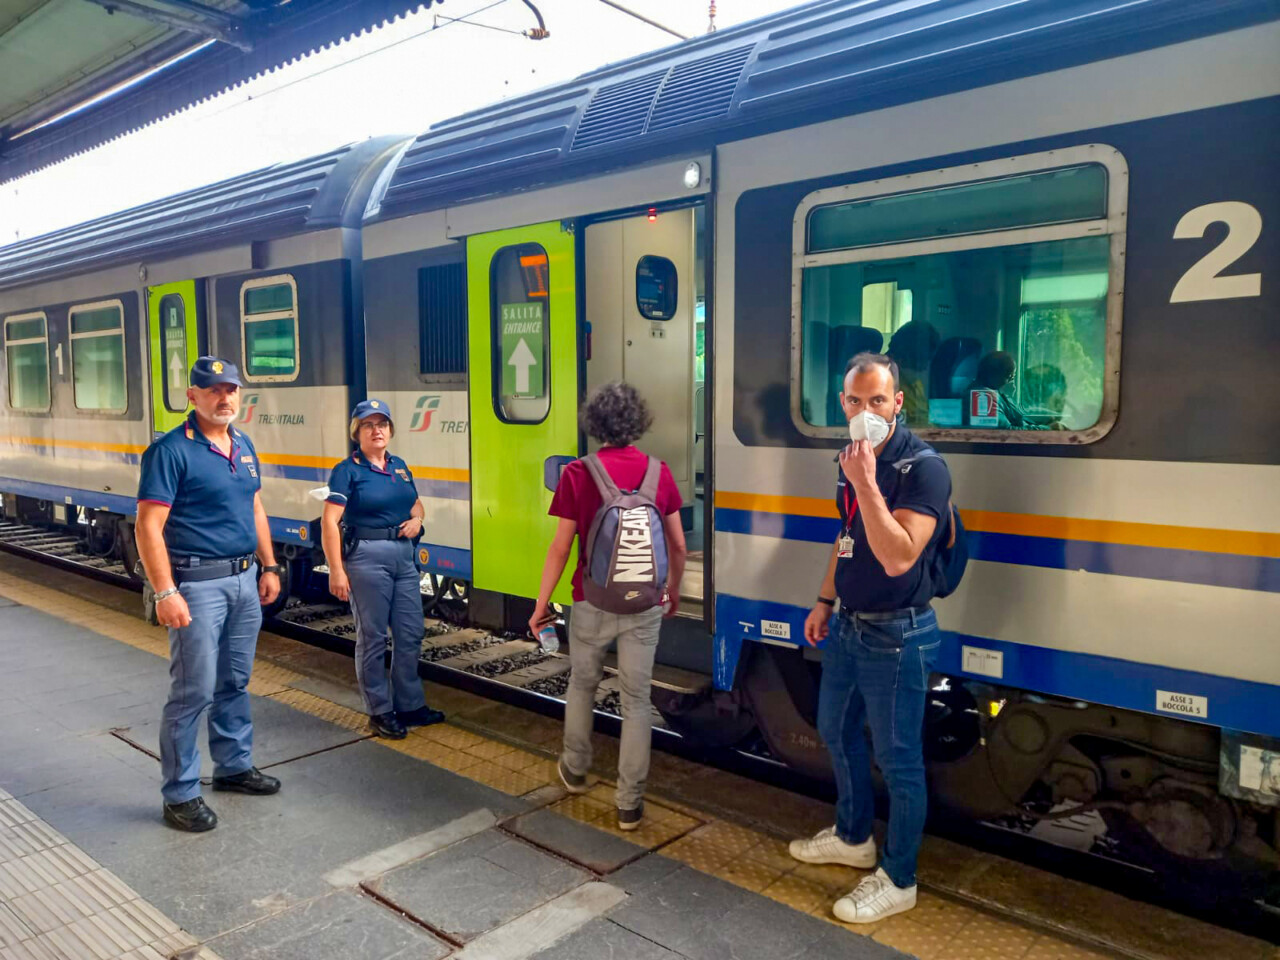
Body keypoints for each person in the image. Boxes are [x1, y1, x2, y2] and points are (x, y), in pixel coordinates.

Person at [790, 352, 951, 922]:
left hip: (899, 636)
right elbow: (848, 535)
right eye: (855, 402)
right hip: (849, 626)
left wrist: (866, 483)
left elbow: (898, 556)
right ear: (842, 402)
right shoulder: (851, 462)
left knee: (898, 758)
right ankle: (854, 837)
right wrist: (825, 598)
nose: (866, 412)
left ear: (898, 403)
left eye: (877, 401)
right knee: (833, 727)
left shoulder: (923, 469)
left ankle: (899, 877)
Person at [528, 382, 686, 831]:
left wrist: (542, 603)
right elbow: (676, 545)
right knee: (637, 699)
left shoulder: (580, 472)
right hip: (644, 604)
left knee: (583, 683)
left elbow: (560, 548)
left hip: (591, 600)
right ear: (639, 422)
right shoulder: (660, 472)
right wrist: (670, 590)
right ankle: (629, 804)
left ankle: (575, 770)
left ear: (594, 423)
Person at [136, 357, 284, 833]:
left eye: (231, 390)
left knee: (234, 682)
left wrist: (270, 564)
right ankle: (180, 794)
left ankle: (234, 766)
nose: (225, 398)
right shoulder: (170, 451)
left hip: (244, 580)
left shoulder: (242, 445)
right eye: (213, 390)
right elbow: (148, 526)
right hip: (197, 585)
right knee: (192, 691)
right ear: (192, 396)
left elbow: (255, 505)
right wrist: (165, 592)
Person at [321, 399, 444, 740]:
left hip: (403, 556)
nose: (376, 430)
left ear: (390, 430)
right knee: (373, 636)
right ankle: (379, 710)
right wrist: (336, 569)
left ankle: (410, 705)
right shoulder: (347, 471)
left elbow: (414, 501)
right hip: (366, 557)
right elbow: (330, 522)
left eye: (382, 424)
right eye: (367, 425)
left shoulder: (400, 466)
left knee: (410, 633)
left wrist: (418, 519)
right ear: (356, 433)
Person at [886, 321, 939, 427]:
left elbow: (924, 420)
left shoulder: (915, 384)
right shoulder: (880, 381)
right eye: (925, 358)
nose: (926, 367)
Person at [966, 350, 1036, 429]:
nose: (1011, 382)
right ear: (995, 375)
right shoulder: (983, 397)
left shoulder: (995, 392)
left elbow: (1021, 416)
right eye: (1009, 377)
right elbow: (1005, 431)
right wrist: (1047, 429)